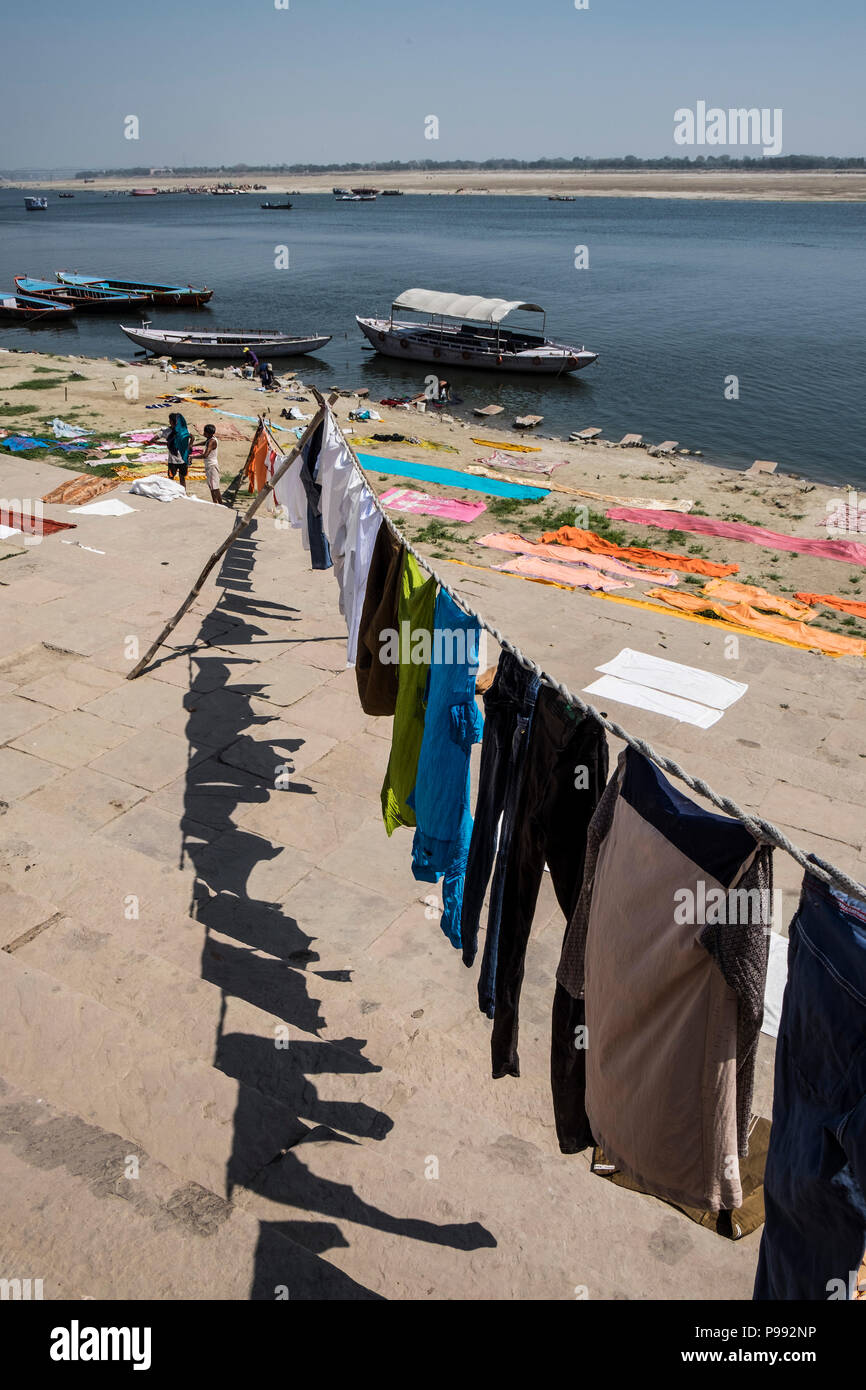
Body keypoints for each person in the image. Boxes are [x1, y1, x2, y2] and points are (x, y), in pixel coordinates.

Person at [165, 412, 193, 492]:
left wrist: (190, 446)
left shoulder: (184, 430)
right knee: (171, 477)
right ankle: (170, 492)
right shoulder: (168, 431)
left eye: (170, 420)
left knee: (182, 478)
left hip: (182, 459)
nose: (169, 422)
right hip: (172, 460)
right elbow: (155, 438)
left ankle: (183, 493)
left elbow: (192, 437)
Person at [202, 423, 223, 505]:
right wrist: (194, 445)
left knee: (215, 488)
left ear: (209, 433)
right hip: (209, 466)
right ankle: (215, 502)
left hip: (211, 466)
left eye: (205, 432)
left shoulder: (212, 441)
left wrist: (192, 457)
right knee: (211, 486)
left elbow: (205, 455)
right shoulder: (210, 439)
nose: (204, 433)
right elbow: (204, 442)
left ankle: (221, 504)